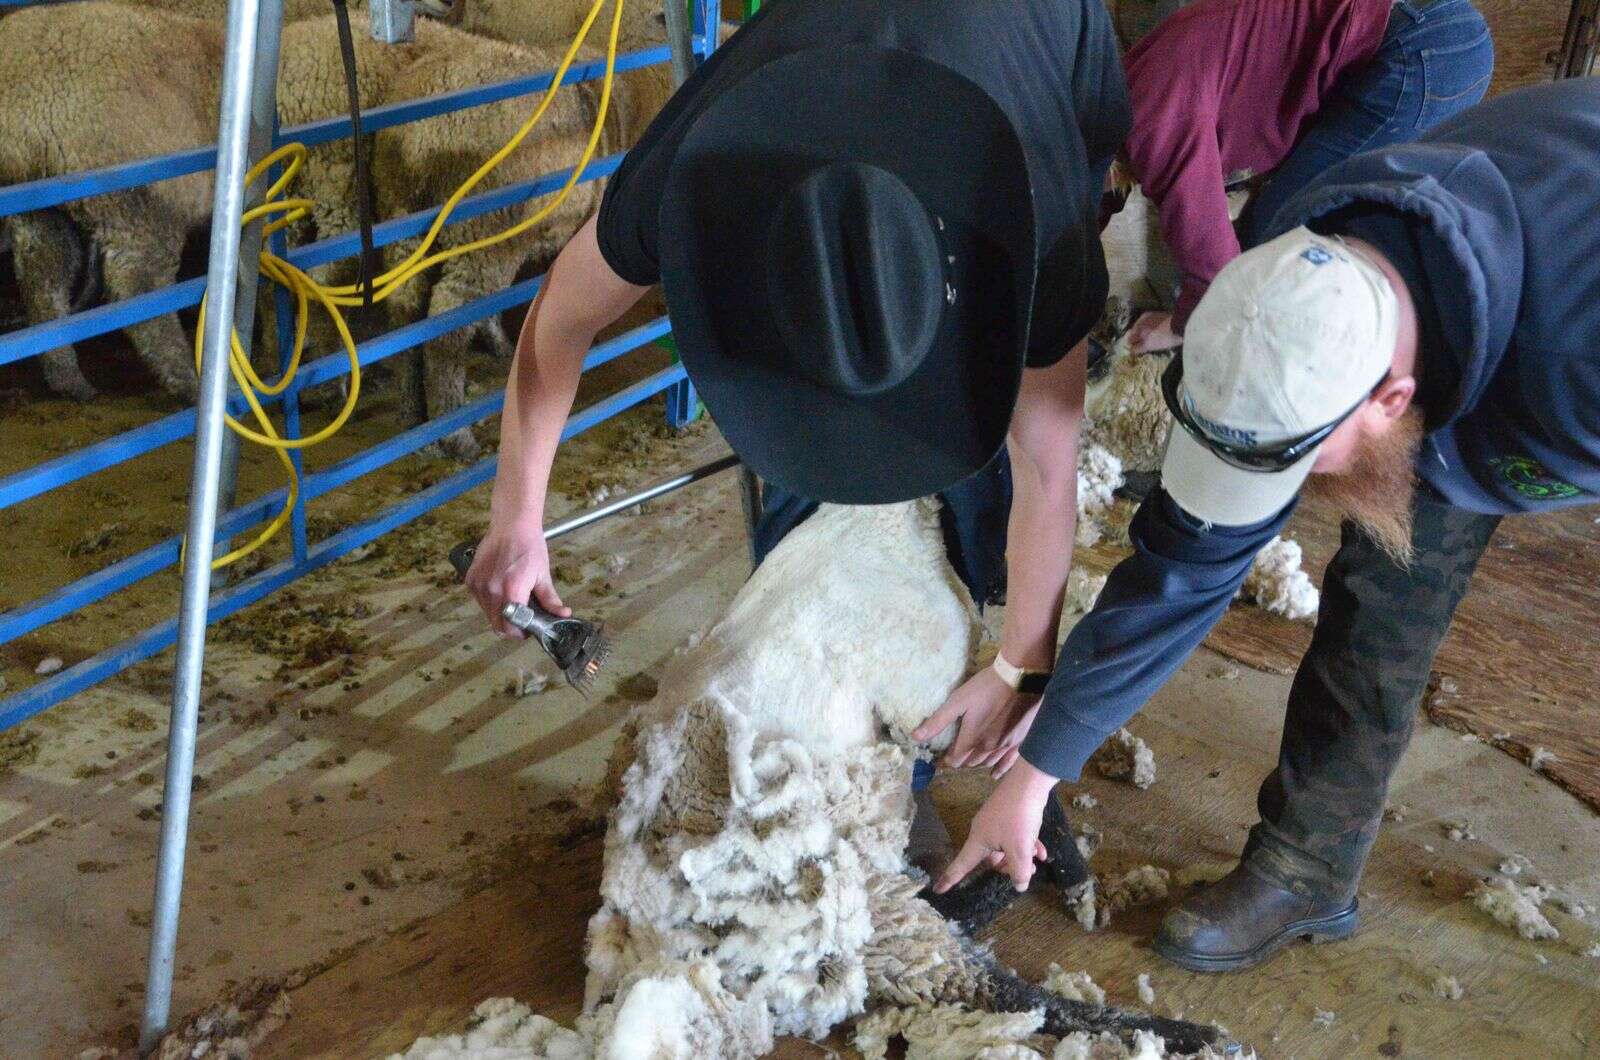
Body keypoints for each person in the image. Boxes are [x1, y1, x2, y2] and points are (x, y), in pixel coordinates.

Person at [934, 78, 1600, 972]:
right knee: (1382, 590)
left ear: (1391, 398)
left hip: (1562, 337)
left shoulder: (1577, 365)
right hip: (1489, 316)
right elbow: (1190, 562)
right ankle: (1310, 870)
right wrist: (1033, 774)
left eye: (1294, 456)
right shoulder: (1306, 261)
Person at [463, 0, 1131, 870]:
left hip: (1039, 56)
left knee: (985, 473)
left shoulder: (1038, 229)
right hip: (823, 96)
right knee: (806, 463)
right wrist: (517, 515)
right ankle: (844, 728)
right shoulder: (703, 166)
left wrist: (1022, 673)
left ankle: (984, 719)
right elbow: (562, 315)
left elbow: (1046, 467)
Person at [1116, 0, 1493, 355]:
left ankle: (1265, 378)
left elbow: (1215, 267)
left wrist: (1180, 327)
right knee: (1287, 228)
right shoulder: (1133, 77)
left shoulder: (1154, 114)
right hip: (1438, 33)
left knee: (1276, 236)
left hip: (1420, 50)